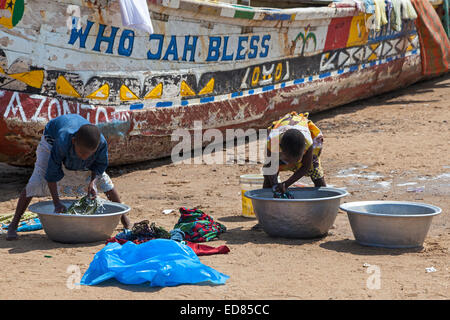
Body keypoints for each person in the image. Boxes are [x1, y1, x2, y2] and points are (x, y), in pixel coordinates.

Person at [6, 114, 131, 240]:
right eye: (82, 153)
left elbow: (99, 166)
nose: (85, 157)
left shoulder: (100, 143)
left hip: (76, 141)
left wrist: (93, 182)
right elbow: (51, 172)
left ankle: (125, 221)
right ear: (73, 142)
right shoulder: (62, 140)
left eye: (89, 154)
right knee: (35, 181)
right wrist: (56, 202)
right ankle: (13, 225)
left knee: (105, 182)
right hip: (51, 140)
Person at [263, 111, 326, 194]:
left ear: (304, 149)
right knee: (269, 176)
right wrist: (275, 185)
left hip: (301, 134)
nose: (292, 163)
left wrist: (286, 184)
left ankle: (324, 197)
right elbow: (270, 166)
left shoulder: (308, 143)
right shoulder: (273, 142)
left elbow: (306, 166)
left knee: (316, 172)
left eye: (297, 159)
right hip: (280, 136)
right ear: (281, 149)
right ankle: (265, 198)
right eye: (288, 159)